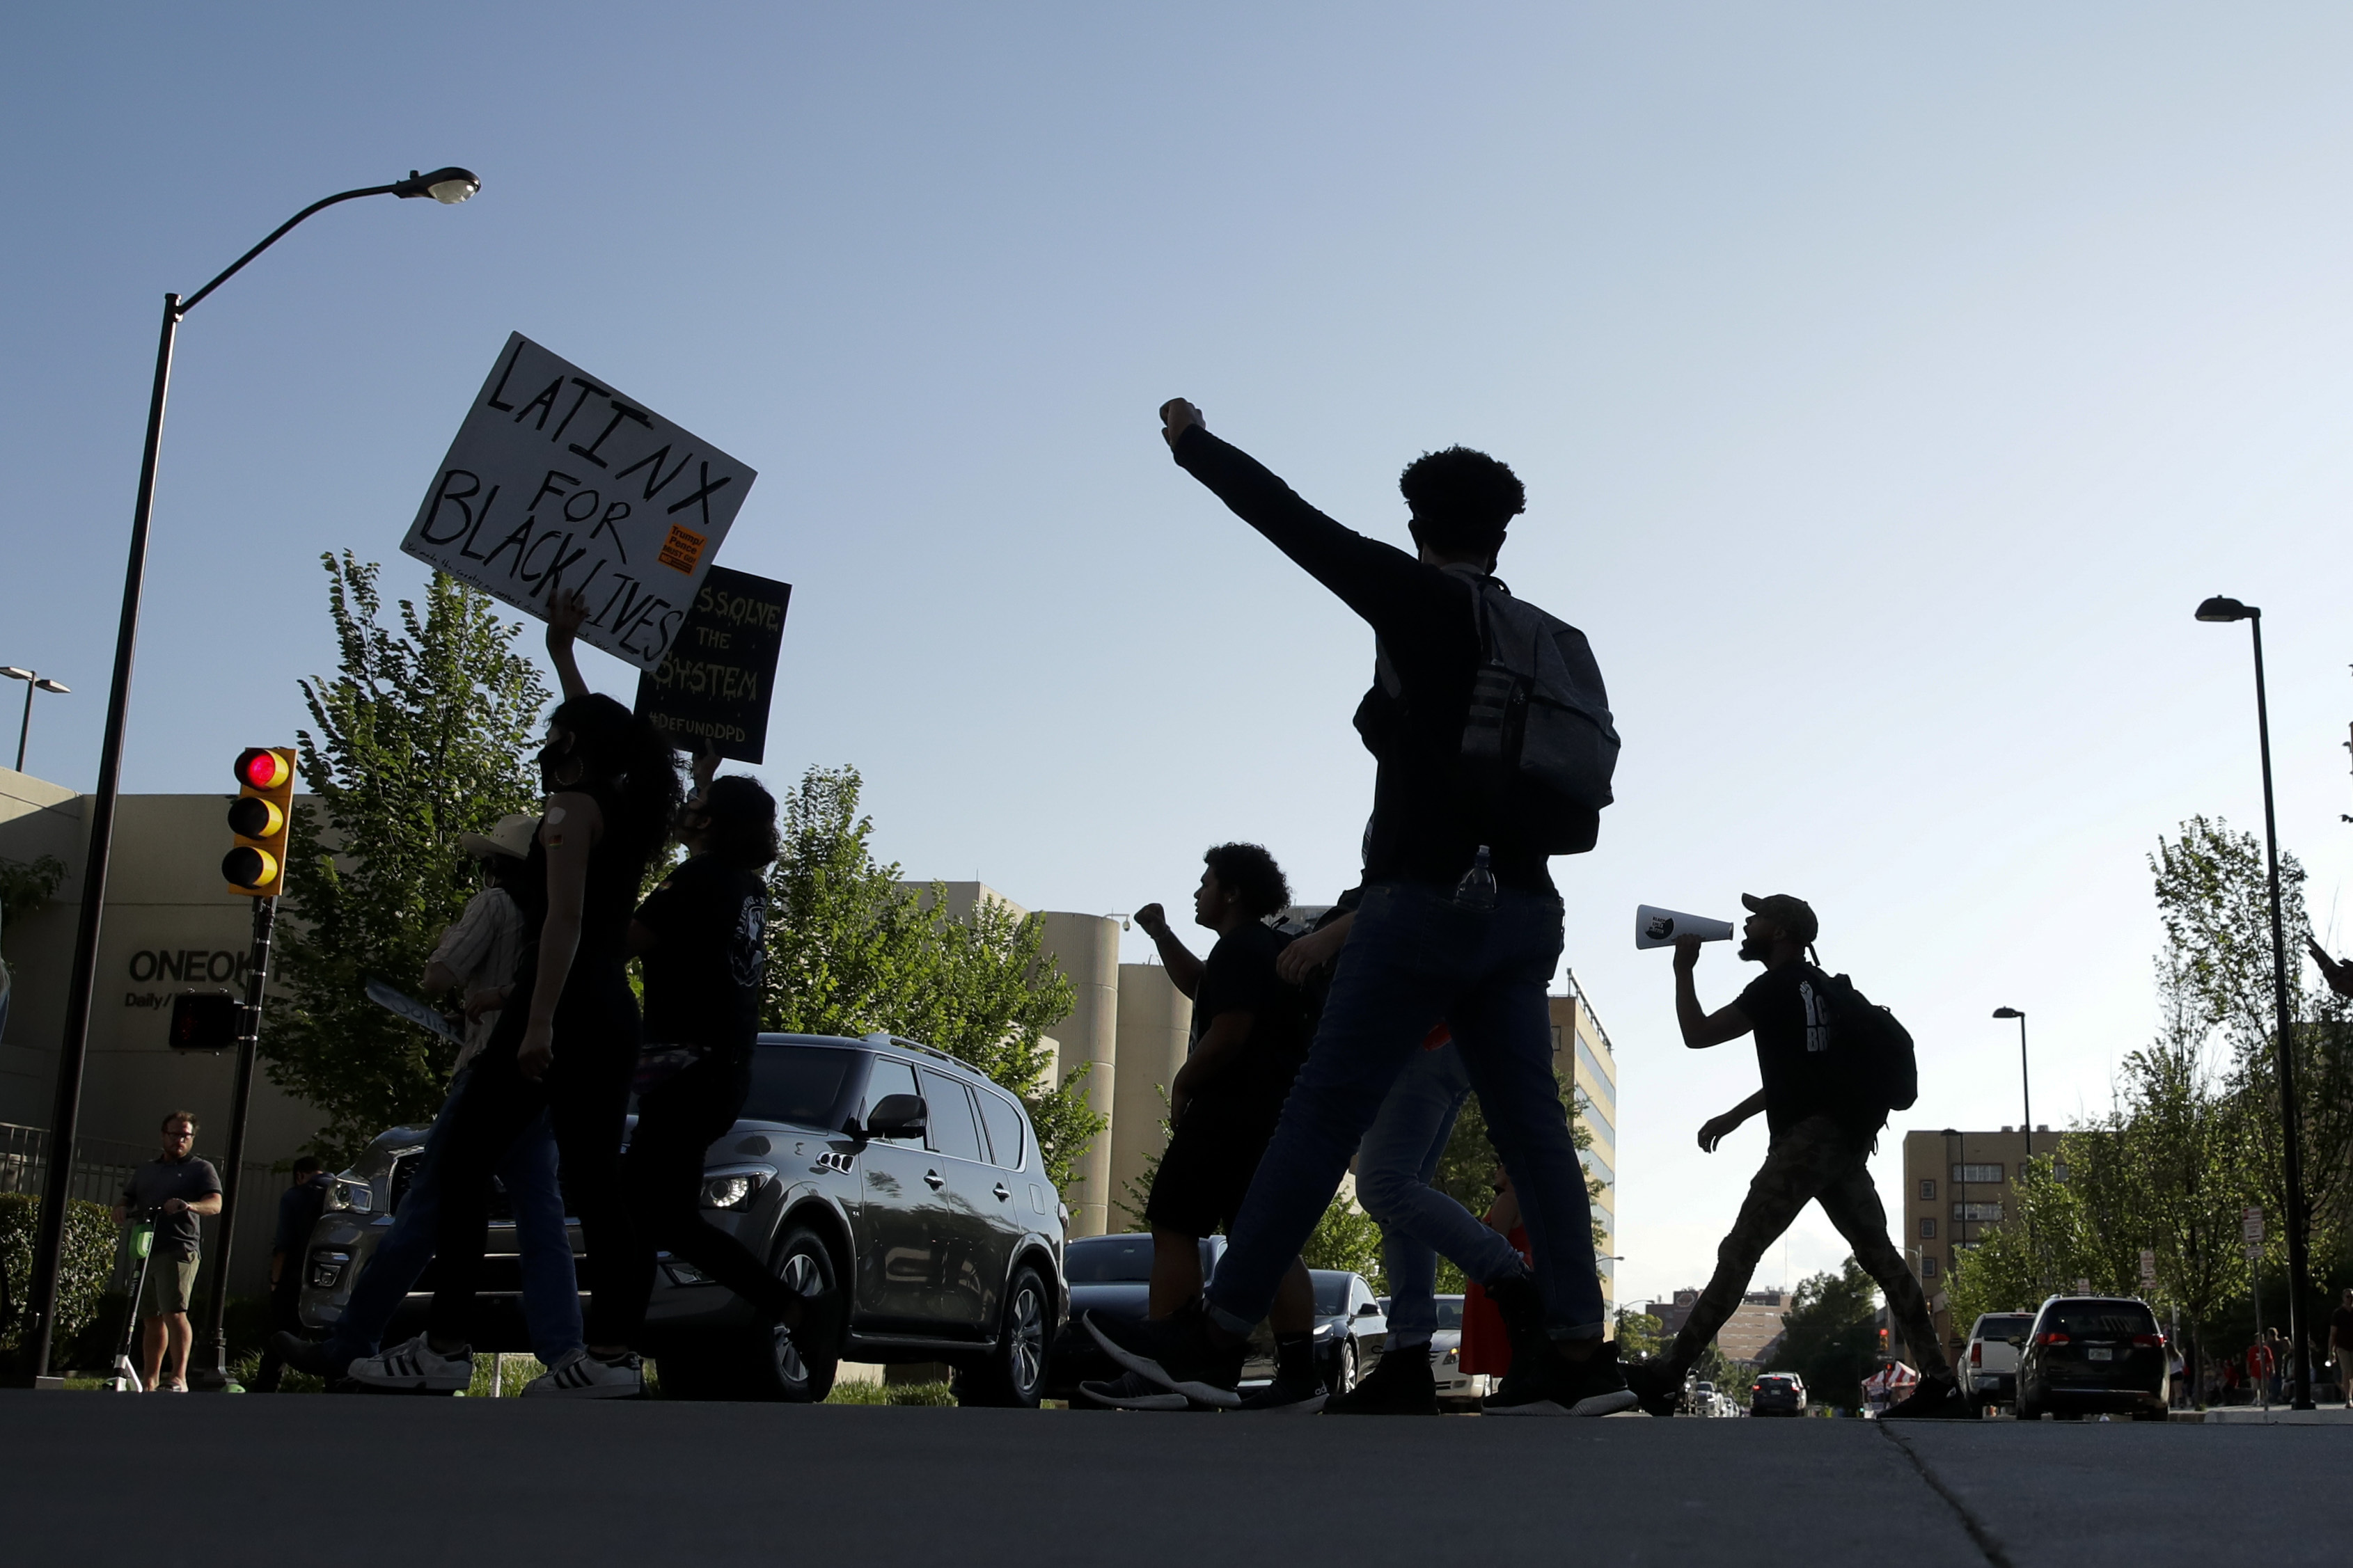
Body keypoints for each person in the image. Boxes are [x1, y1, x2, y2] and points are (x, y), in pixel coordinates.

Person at [1089, 402, 1632, 1417]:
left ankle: (1214, 1341)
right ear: (1503, 532)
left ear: (1418, 524)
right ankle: (1577, 1350)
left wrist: (1193, 443)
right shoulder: (1548, 636)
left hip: (1420, 902)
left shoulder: (1416, 600)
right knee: (1535, 1136)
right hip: (1524, 914)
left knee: (1319, 1116)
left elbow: (1289, 520)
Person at [379, 587, 682, 1399]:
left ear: (573, 747)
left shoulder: (568, 809)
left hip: (564, 1003)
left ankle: (443, 1346)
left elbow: (566, 922)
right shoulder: (626, 805)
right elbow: (604, 733)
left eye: (557, 732)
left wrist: (535, 1018)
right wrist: (562, 655)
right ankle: (614, 1357)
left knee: (465, 1163)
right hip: (612, 1008)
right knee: (595, 1184)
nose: (547, 738)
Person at [1621, 896, 1969, 1419]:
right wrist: (1735, 1117)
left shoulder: (1775, 987)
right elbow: (1803, 1076)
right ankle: (1940, 1382)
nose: (1747, 923)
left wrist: (1682, 971)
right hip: (1843, 1145)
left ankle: (1666, 1375)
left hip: (1806, 1144)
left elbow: (1696, 1034)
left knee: (1739, 1251)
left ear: (1780, 930)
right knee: (1884, 1262)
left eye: (1757, 917)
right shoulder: (1826, 990)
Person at [270, 818, 583, 1386]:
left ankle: (351, 1340)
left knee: (425, 1207)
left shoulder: (492, 903)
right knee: (543, 1220)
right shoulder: (552, 916)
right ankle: (565, 1352)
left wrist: (453, 956)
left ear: (496, 866)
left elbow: (439, 976)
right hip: (536, 1077)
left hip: (485, 1076)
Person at [605, 754, 835, 1373]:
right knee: (666, 1217)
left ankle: (614, 1352)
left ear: (714, 825)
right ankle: (790, 1308)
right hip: (721, 1069)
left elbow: (623, 943)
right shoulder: (745, 886)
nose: (690, 813)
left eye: (701, 808)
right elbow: (697, 847)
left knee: (632, 1210)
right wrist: (707, 782)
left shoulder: (698, 882)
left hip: (683, 1069)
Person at [1083, 844, 1323, 1411]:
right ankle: (1299, 1376)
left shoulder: (1241, 947)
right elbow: (1205, 986)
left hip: (1228, 1111)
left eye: (1206, 881)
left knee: (1173, 1221)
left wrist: (1186, 1083)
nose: (1198, 890)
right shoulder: (1257, 949)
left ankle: (1167, 1366)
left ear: (1232, 892)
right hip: (1270, 1114)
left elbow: (1231, 1027)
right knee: (1266, 1240)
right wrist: (1163, 934)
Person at [112, 1111, 222, 1393]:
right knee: (151, 1317)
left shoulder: (201, 1169)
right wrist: (122, 1208)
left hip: (179, 1248)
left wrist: (189, 1206)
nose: (180, 1140)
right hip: (146, 1247)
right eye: (175, 1134)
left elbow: (215, 1204)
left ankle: (178, 1378)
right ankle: (150, 1380)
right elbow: (129, 1196)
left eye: (186, 1135)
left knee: (175, 1312)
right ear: (164, 1136)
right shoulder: (147, 1169)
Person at [248, 1157, 331, 1392]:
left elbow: (283, 1245)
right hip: (334, 1276)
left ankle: (267, 1387)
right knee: (332, 1333)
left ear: (299, 1175)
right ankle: (337, 1384)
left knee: (281, 1334)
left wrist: (275, 1280)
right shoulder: (341, 1189)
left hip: (296, 1276)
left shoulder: (295, 1196)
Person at [1455, 1166, 1530, 1385]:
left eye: (1501, 1166)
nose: (1496, 1171)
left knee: (1499, 1334)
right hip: (1522, 1270)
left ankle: (1512, 1384)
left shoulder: (1508, 1200)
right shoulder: (1528, 1199)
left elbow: (1494, 1242)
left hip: (1501, 1278)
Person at [2330, 1290, 2353, 1409]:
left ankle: (2351, 1395)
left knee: (2352, 1373)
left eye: (2352, 1297)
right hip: (2342, 1346)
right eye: (2348, 1297)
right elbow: (2333, 1333)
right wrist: (2331, 1351)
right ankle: (2348, 1398)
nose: (2350, 1299)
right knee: (2346, 1372)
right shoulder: (2338, 1314)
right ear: (2343, 1298)